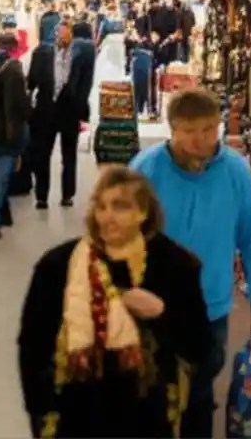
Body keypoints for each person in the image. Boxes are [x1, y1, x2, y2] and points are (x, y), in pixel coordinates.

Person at [17, 167, 211, 438]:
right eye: (101, 206)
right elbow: (33, 348)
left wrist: (161, 314)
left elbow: (200, 348)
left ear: (143, 212)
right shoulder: (58, 267)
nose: (107, 216)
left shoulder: (175, 265)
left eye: (120, 207)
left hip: (149, 418)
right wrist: (40, 414)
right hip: (77, 416)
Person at [130, 89, 251, 438]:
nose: (203, 140)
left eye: (210, 129)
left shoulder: (235, 172)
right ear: (173, 130)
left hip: (209, 310)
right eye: (191, 131)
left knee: (198, 395)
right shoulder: (144, 172)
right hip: (153, 310)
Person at [26, 22, 94, 209]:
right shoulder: (42, 54)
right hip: (45, 110)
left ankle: (67, 195)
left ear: (72, 36)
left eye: (66, 34)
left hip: (69, 110)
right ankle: (41, 196)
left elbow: (86, 83)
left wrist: (80, 107)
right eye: (59, 34)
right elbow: (31, 81)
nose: (62, 37)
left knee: (69, 155)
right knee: (42, 154)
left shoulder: (81, 55)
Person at [0, 32, 30, 239]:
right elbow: (19, 107)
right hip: (9, 133)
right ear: (14, 48)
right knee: (1, 180)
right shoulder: (14, 69)